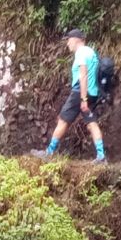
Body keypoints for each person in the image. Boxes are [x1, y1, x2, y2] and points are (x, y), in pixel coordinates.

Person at [44, 28, 108, 163]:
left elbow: (83, 75)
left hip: (80, 93)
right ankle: (101, 155)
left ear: (75, 40)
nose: (67, 44)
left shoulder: (81, 53)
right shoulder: (92, 52)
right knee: (92, 123)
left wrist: (83, 99)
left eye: (68, 40)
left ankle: (49, 153)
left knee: (63, 120)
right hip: (93, 93)